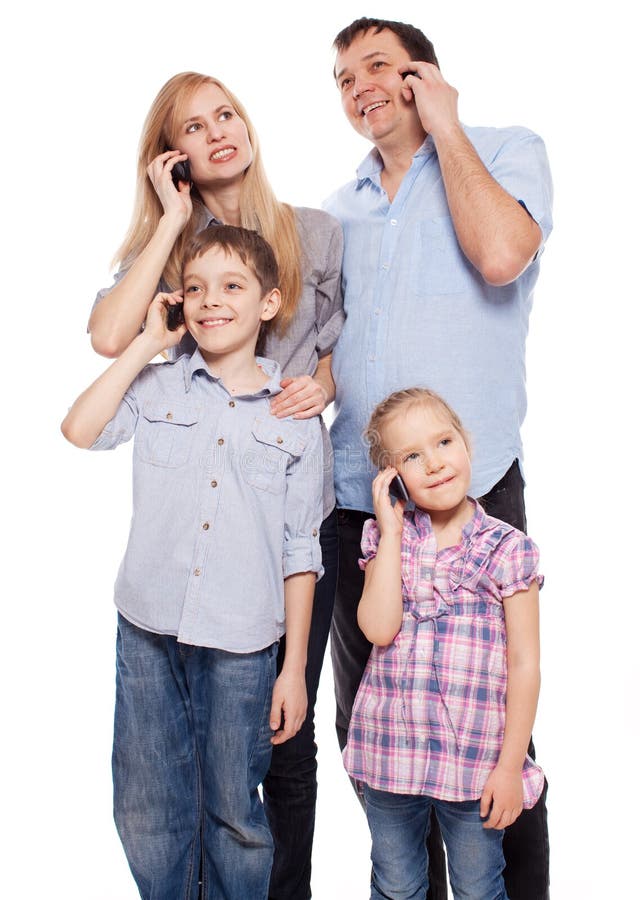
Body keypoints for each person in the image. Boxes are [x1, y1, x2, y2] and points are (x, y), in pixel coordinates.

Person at [88, 72, 343, 900]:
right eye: (193, 128)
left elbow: (344, 344)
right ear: (173, 157)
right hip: (187, 507)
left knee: (279, 756)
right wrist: (167, 223)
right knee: (161, 786)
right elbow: (108, 338)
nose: (218, 133)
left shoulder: (314, 234)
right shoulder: (174, 256)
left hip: (281, 497)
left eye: (226, 114)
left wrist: (324, 386)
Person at [324, 17, 553, 900]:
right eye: (343, 77)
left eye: (378, 66)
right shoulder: (338, 210)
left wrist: (445, 125)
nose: (359, 87)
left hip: (475, 492)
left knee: (499, 732)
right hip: (362, 498)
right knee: (376, 726)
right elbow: (331, 343)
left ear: (423, 73)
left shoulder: (503, 150)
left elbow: (501, 256)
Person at [62, 225, 324, 899]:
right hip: (148, 631)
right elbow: (79, 429)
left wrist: (293, 667)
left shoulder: (296, 415)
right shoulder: (158, 387)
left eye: (232, 287)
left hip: (244, 644)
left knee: (235, 813)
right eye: (197, 288)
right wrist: (149, 342)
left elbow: (302, 550)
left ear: (267, 304)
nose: (211, 302)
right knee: (148, 808)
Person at [346, 387, 543, 899]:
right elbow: (378, 628)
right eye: (413, 456)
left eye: (444, 442)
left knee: (478, 887)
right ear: (393, 477)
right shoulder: (386, 540)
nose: (434, 463)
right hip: (392, 754)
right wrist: (389, 532)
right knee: (395, 885)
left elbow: (525, 665)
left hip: (476, 762)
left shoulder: (507, 548)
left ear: (467, 444)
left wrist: (508, 766)